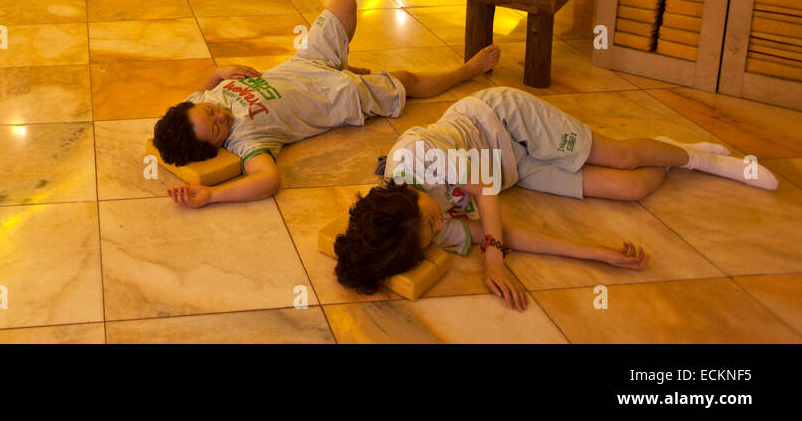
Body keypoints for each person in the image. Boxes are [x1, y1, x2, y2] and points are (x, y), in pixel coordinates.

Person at [333, 86, 779, 309]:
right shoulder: (417, 231)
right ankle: (670, 153)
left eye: (431, 221)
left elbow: (485, 189)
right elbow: (505, 229)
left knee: (620, 155)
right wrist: (595, 254)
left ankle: (707, 162)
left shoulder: (417, 159)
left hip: (510, 122)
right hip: (514, 169)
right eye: (434, 233)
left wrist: (493, 257)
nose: (439, 227)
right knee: (633, 187)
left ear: (407, 197)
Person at [150, 0, 502, 209]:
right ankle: (466, 71)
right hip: (340, 97)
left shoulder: (197, 105)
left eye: (210, 109)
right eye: (216, 127)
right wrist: (211, 196)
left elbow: (199, 93)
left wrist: (218, 71)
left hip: (306, 62)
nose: (219, 115)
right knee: (405, 79)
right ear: (216, 145)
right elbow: (268, 181)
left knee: (344, 4)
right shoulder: (246, 142)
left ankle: (344, 63)